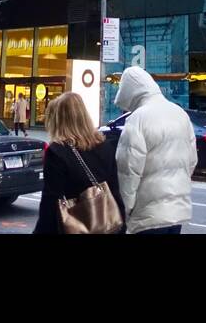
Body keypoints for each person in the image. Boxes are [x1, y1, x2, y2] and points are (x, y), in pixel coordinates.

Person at [114, 66, 197, 235]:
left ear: (130, 92)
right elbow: (191, 160)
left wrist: (127, 210)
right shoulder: (179, 113)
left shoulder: (137, 118)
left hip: (147, 214)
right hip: (176, 210)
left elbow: (129, 171)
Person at [33, 92, 125, 234]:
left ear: (59, 120)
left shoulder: (57, 152)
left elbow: (51, 204)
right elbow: (114, 191)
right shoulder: (105, 146)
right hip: (106, 225)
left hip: (77, 226)